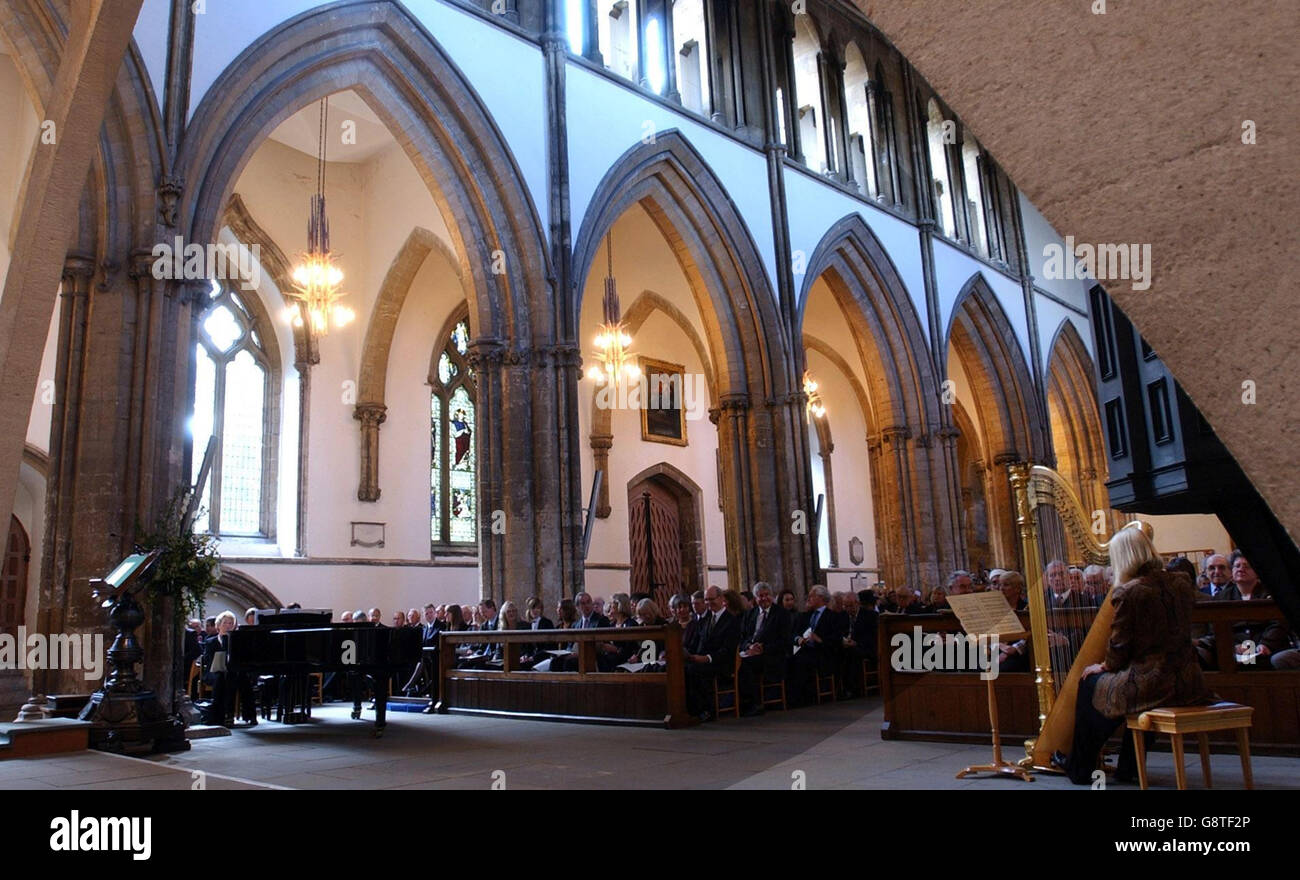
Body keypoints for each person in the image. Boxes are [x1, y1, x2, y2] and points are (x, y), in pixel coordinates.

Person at [1056, 526, 1211, 785]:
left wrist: (1103, 666)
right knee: (1123, 692)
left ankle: (1080, 767)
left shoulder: (1129, 591)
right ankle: (1129, 764)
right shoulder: (1182, 581)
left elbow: (1119, 647)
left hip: (1153, 683)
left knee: (1089, 683)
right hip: (1188, 678)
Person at [683, 585, 741, 721]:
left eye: (711, 599)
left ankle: (706, 710)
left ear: (721, 599)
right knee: (683, 669)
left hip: (722, 663)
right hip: (703, 661)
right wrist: (688, 654)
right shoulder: (706, 620)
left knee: (695, 671)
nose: (709, 603)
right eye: (706, 600)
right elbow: (697, 643)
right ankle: (689, 709)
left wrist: (706, 658)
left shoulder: (732, 621)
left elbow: (728, 650)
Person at [788, 585, 846, 707]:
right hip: (804, 649)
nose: (808, 598)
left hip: (823, 653)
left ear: (821, 598)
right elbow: (793, 633)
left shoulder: (833, 616)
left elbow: (836, 639)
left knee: (801, 662)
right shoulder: (805, 616)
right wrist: (798, 639)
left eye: (812, 595)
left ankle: (804, 697)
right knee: (789, 660)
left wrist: (819, 639)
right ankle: (793, 697)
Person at [737, 583, 790, 715]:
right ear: (755, 599)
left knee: (746, 665)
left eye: (767, 595)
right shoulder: (750, 614)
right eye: (761, 596)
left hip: (772, 656)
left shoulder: (781, 614)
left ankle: (754, 704)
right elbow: (742, 638)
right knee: (737, 662)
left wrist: (763, 648)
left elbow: (785, 641)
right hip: (750, 652)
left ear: (771, 596)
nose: (764, 598)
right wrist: (750, 646)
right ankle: (743, 703)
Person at [202, 610, 256, 727]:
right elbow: (208, 660)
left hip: (232, 672)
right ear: (218, 625)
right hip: (215, 671)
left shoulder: (237, 641)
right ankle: (222, 715)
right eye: (225, 623)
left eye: (231, 623)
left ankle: (249, 715)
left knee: (243, 678)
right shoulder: (211, 641)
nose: (228, 626)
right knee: (221, 678)